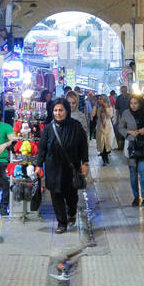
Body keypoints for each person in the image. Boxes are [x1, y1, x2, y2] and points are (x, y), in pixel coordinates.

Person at [37, 97, 89, 233]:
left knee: (71, 196)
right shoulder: (48, 128)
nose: (58, 113)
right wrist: (38, 165)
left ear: (67, 111)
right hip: (53, 167)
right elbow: (42, 148)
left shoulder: (76, 126)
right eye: (55, 110)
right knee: (56, 195)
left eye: (61, 110)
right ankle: (62, 223)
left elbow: (83, 146)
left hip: (71, 167)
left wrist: (85, 163)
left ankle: (72, 212)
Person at [120, 93, 144, 206]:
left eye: (136, 103)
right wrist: (129, 132)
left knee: (143, 171)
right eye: (131, 103)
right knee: (133, 173)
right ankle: (136, 197)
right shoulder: (126, 113)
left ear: (140, 103)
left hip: (143, 146)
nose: (133, 106)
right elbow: (120, 127)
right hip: (131, 146)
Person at [95, 95, 115, 165]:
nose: (100, 101)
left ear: (105, 100)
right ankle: (104, 159)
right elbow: (96, 115)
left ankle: (106, 157)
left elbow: (110, 115)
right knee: (102, 144)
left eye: (102, 99)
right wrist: (95, 106)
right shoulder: (99, 108)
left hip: (108, 128)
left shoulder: (110, 107)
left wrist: (106, 107)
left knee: (108, 144)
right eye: (100, 99)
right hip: (100, 128)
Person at [114, 84, 131, 151]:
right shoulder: (119, 98)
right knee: (121, 132)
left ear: (127, 90)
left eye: (125, 91)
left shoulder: (131, 97)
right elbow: (117, 110)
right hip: (122, 118)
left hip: (130, 118)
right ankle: (121, 146)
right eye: (122, 91)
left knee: (129, 132)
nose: (123, 92)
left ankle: (129, 146)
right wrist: (117, 119)